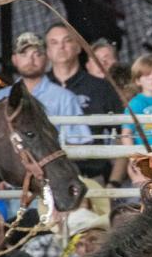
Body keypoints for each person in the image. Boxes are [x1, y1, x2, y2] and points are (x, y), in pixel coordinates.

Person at [45, 23, 124, 183]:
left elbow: (124, 135)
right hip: (47, 180)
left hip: (92, 180)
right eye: (54, 42)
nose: (61, 46)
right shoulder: (37, 88)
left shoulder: (102, 88)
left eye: (67, 40)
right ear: (47, 51)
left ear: (79, 47)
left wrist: (114, 183)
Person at [0, 32, 92, 146]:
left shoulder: (65, 98)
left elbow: (80, 143)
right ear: (14, 59)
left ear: (47, 59)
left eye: (37, 54)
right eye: (23, 54)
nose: (31, 60)